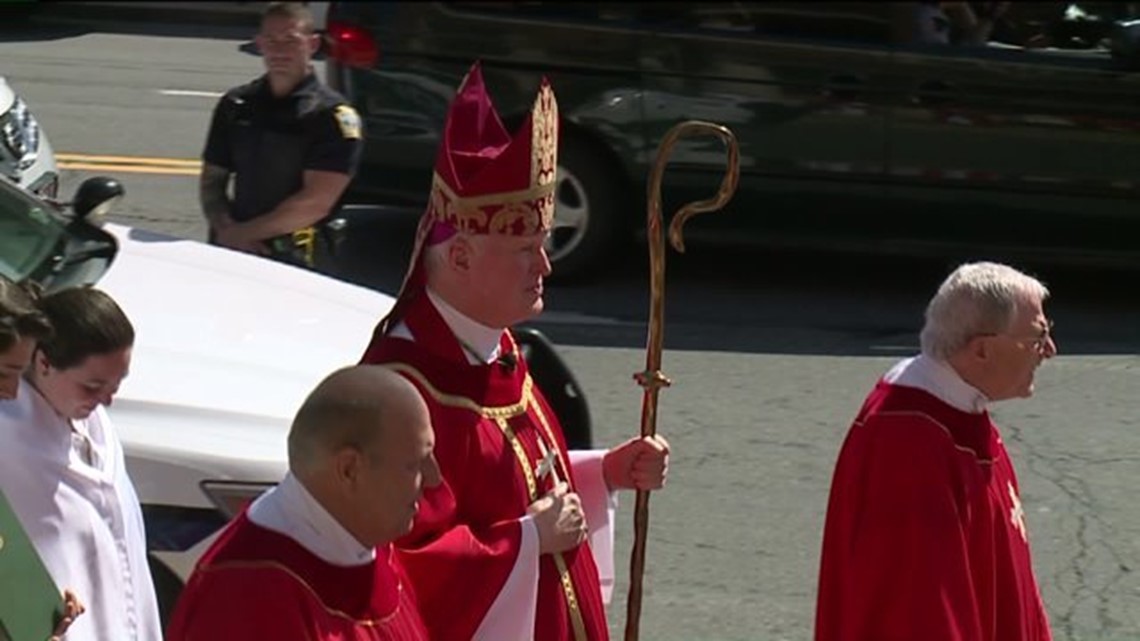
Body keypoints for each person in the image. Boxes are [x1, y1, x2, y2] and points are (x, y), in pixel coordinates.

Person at [359, 61, 671, 641]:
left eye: (543, 244)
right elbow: (397, 566)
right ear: (459, 258)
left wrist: (602, 471)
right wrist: (527, 540)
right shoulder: (401, 392)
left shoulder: (492, 345)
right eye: (525, 248)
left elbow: (514, 484)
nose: (545, 266)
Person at [814, 261, 1056, 641]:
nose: (1050, 351)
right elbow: (917, 615)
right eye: (1037, 338)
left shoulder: (962, 406)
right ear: (982, 351)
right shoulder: (907, 447)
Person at [166, 365, 438, 640]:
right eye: (414, 464)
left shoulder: (370, 545)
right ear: (349, 469)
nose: (434, 478)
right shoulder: (249, 595)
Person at [0, 285, 162, 641]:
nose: (107, 400)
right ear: (42, 363)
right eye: (92, 386)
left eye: (116, 385)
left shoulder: (94, 421)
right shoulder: (6, 439)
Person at [199, 1, 363, 270]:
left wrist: (243, 234)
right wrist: (225, 229)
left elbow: (316, 203)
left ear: (312, 44)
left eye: (290, 40)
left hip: (301, 259)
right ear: (259, 44)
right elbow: (212, 182)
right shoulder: (237, 104)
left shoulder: (332, 116)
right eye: (271, 40)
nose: (279, 50)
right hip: (235, 251)